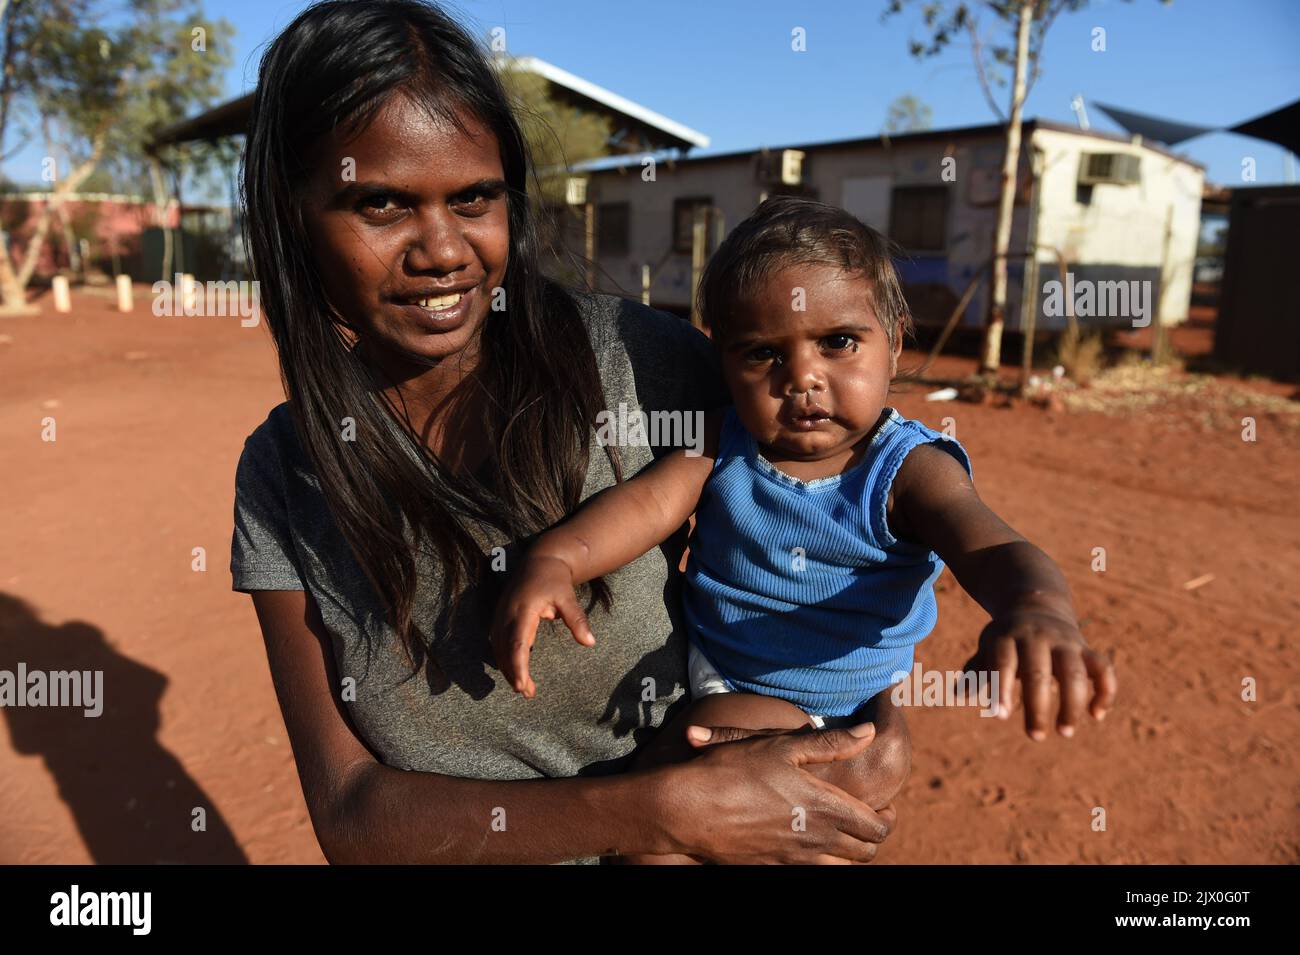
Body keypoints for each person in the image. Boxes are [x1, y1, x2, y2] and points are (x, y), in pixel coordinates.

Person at [231, 0, 906, 864]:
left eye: (474, 197)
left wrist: (884, 721)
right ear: (294, 216)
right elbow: (354, 813)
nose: (442, 248)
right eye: (381, 205)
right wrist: (658, 811)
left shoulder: (645, 365)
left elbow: (844, 496)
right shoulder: (286, 472)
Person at [490, 197, 1120, 863]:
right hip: (723, 678)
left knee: (662, 826)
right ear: (722, 360)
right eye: (763, 353)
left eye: (839, 341)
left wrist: (1038, 609)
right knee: (660, 810)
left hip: (830, 717)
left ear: (896, 339)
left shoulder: (906, 470)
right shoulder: (722, 441)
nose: (803, 377)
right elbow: (646, 506)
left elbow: (991, 543)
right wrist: (558, 557)